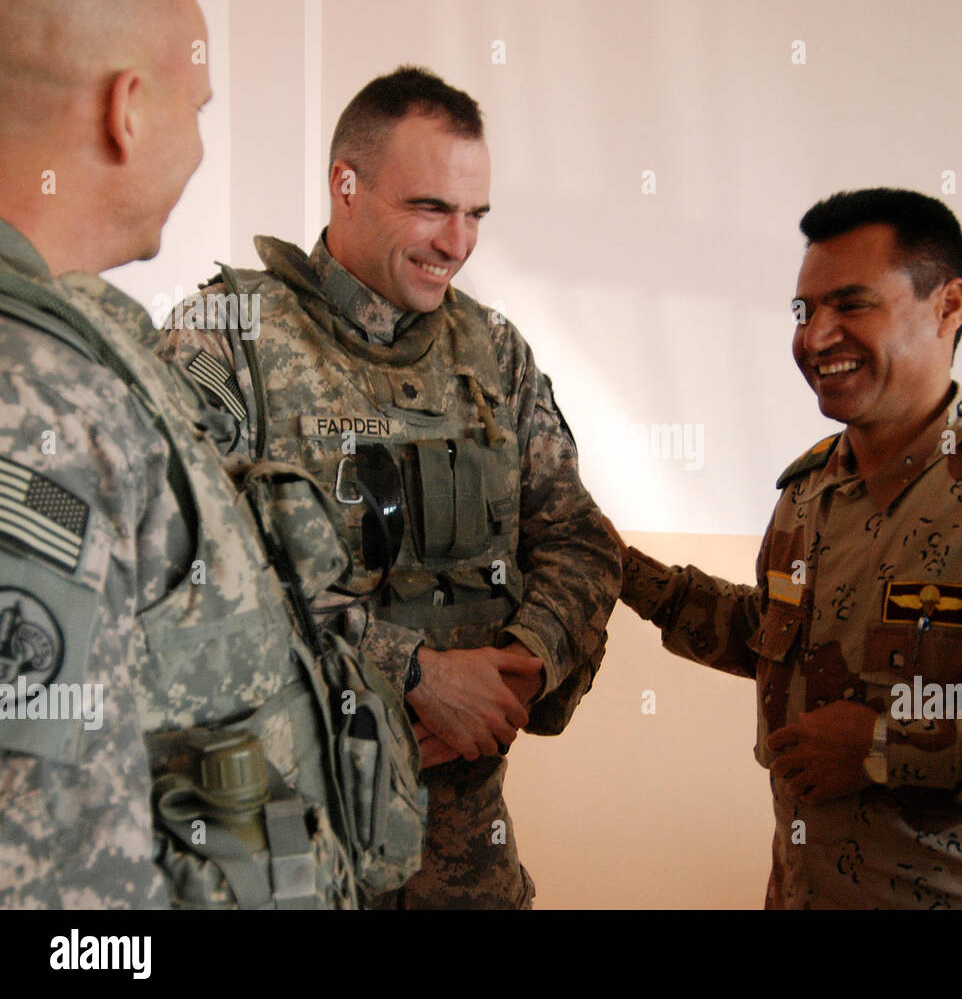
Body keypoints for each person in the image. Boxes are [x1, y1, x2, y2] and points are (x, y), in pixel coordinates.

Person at [158, 67, 621, 909]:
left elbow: (579, 538)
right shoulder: (225, 340)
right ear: (347, 184)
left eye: (475, 213)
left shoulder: (494, 352)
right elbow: (184, 578)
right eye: (430, 208)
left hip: (463, 862)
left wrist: (516, 671)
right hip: (287, 851)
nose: (458, 243)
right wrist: (411, 673)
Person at [0, 0, 411, 911]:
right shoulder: (32, 400)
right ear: (129, 109)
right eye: (197, 110)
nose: (199, 144)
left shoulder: (74, 352)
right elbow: (42, 869)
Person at [608, 188, 962, 908]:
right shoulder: (809, 492)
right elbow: (772, 641)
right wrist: (626, 571)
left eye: (852, 305)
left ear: (949, 305)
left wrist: (886, 747)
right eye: (804, 311)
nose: (815, 337)